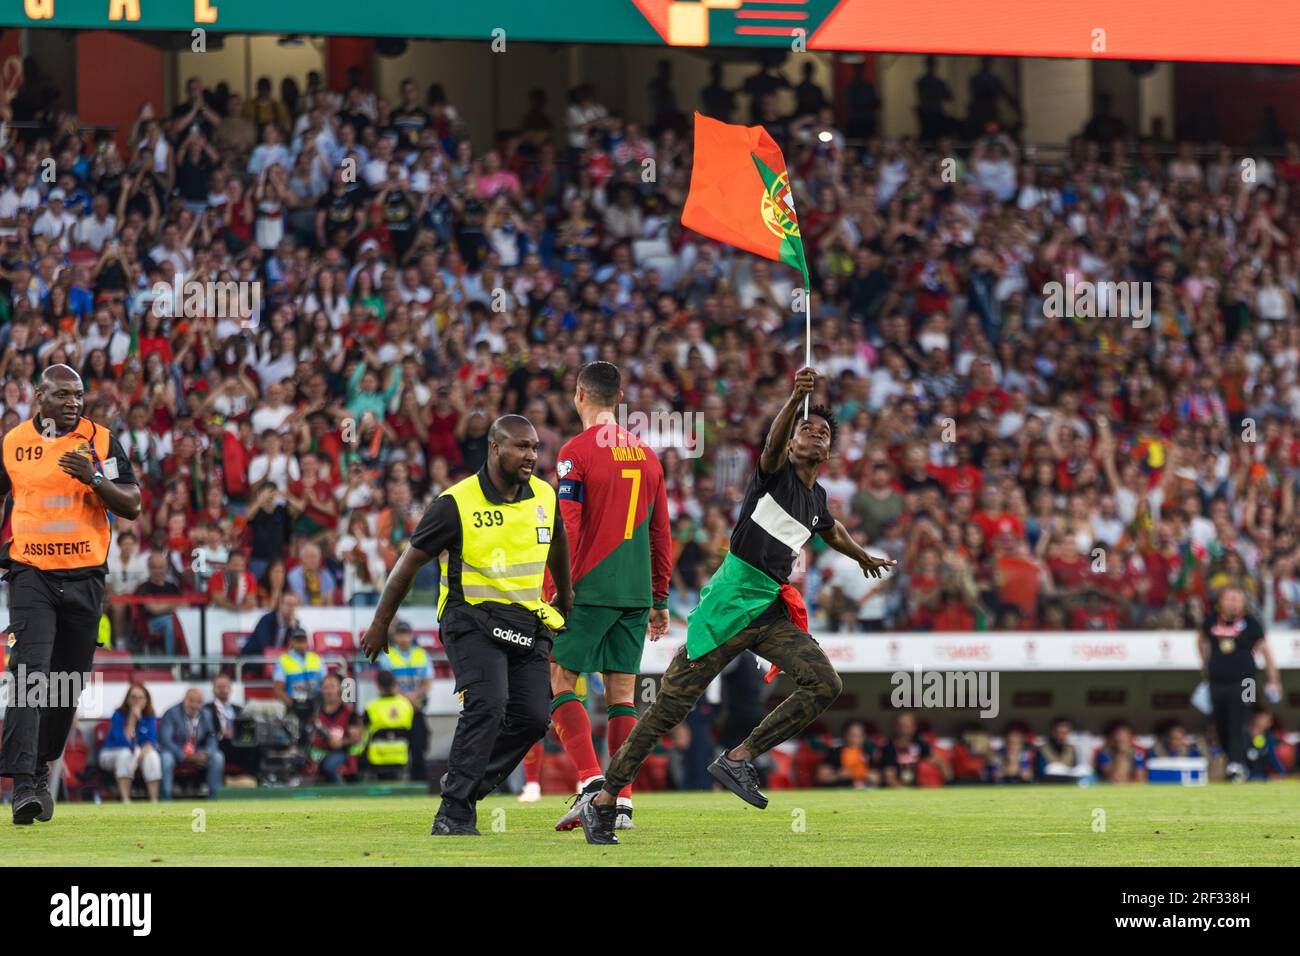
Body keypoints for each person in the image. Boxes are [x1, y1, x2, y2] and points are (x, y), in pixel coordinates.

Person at [580, 368, 895, 844]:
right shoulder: (773, 474)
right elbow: (770, 443)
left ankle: (739, 758)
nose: (814, 433)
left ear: (829, 452)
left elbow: (831, 529)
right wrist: (795, 398)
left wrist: (862, 556)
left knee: (825, 683)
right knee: (667, 710)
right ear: (790, 445)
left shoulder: (817, 499)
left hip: (767, 608)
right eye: (805, 429)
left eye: (823, 432)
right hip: (728, 607)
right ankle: (604, 800)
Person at [361, 414, 573, 836]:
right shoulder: (455, 504)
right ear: (495, 448)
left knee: (532, 719)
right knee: (488, 704)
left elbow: (558, 545)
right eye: (520, 447)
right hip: (470, 617)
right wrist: (380, 622)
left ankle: (464, 788)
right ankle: (453, 813)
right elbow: (408, 563)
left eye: (534, 447)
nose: (531, 455)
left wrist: (565, 597)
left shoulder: (545, 496)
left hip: (526, 619)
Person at [0, 364, 142, 824]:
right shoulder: (13, 442)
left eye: (78, 395)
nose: (74, 403)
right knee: (27, 676)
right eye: (63, 395)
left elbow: (134, 505)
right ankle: (23, 786)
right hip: (31, 576)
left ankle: (40, 767)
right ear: (39, 395)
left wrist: (94, 479)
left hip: (85, 581)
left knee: (67, 685)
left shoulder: (101, 441)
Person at [549, 363, 672, 833]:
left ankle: (588, 781)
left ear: (579, 394)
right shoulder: (648, 455)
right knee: (622, 693)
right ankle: (621, 801)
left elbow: (568, 526)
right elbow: (662, 532)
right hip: (635, 592)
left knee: (561, 678)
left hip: (587, 588)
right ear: (618, 397)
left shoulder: (573, 453)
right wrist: (659, 597)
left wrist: (557, 591)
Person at [1197, 586, 1281, 782]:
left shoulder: (1252, 624)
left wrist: (1273, 680)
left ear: (1243, 603)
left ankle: (1238, 764)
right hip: (1218, 681)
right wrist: (1205, 664)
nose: (1233, 602)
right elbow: (1201, 640)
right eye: (1229, 598)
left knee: (1241, 718)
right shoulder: (1211, 620)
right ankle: (1235, 762)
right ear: (1221, 601)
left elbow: (1266, 652)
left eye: (1237, 599)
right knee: (1220, 722)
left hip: (1247, 681)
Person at [376, 618, 433, 781]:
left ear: (411, 635)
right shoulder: (387, 656)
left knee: (418, 747)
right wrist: (407, 699)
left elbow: (427, 682)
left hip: (417, 709)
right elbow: (387, 683)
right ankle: (393, 780)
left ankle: (420, 782)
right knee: (395, 746)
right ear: (395, 636)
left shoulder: (421, 655)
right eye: (400, 634)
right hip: (396, 712)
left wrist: (413, 696)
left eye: (406, 634)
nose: (403, 638)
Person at [99, 683, 162, 803]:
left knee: (152, 756)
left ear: (146, 700)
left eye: (140, 697)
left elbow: (151, 740)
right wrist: (132, 719)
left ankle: (154, 800)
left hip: (137, 752)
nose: (136, 700)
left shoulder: (149, 716)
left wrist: (145, 750)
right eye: (133, 697)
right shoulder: (118, 715)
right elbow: (123, 742)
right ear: (127, 699)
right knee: (125, 754)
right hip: (111, 753)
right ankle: (126, 800)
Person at [158, 687, 224, 800]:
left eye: (198, 702)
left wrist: (206, 753)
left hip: (198, 752)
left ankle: (214, 799)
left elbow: (212, 738)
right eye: (191, 701)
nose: (194, 705)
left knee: (218, 757)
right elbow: (165, 740)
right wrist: (184, 755)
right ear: (184, 699)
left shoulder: (206, 714)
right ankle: (166, 798)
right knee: (166, 758)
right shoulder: (171, 713)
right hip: (175, 752)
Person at [309, 671, 362, 783]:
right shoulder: (315, 713)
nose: (328, 691)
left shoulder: (349, 712)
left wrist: (341, 742)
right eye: (325, 687)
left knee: (330, 765)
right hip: (317, 753)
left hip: (341, 753)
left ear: (340, 689)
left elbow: (356, 737)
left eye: (332, 686)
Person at [363, 669, 415, 779]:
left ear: (378, 686)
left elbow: (364, 735)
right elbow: (411, 731)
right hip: (400, 757)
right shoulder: (406, 705)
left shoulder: (371, 707)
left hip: (377, 759)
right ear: (394, 684)